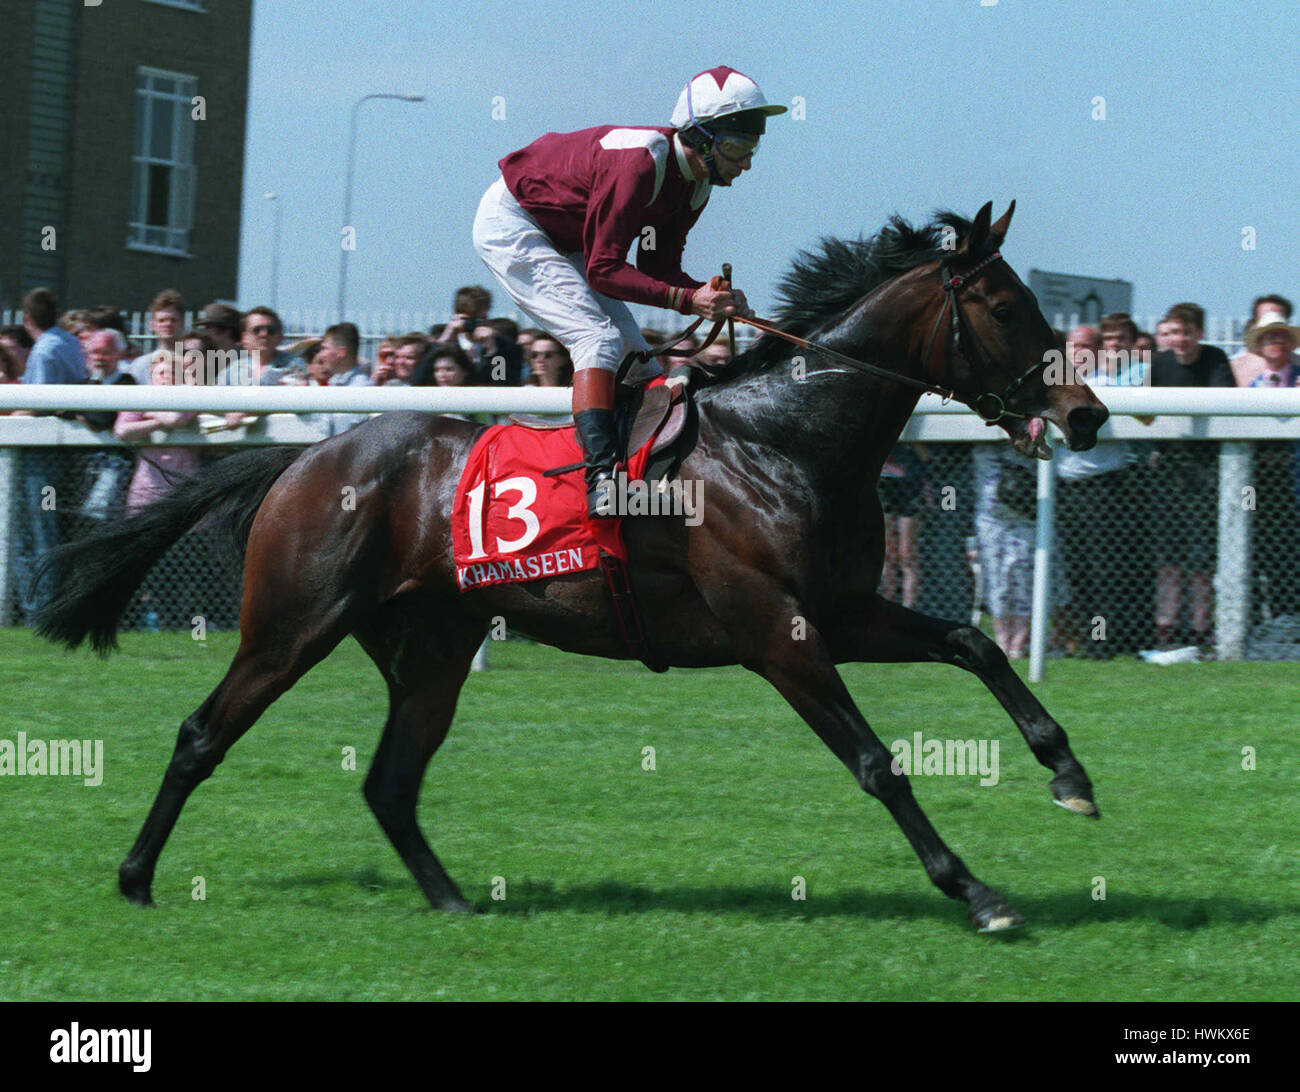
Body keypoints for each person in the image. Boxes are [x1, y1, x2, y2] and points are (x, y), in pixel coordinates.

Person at [472, 65, 784, 516]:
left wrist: (707, 294)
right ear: (698, 139)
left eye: (752, 147)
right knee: (596, 338)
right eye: (737, 147)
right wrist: (688, 299)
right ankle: (601, 479)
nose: (747, 162)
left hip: (572, 236)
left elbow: (658, 268)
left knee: (642, 366)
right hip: (515, 223)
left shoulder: (696, 188)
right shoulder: (639, 164)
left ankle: (645, 476)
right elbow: (604, 271)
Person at [1148, 303, 1233, 652]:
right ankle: (1166, 631)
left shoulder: (1215, 359)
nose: (1180, 339)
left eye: (1187, 332)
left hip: (1204, 472)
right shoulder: (1159, 363)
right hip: (1168, 471)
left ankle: (1200, 631)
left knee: (1200, 562)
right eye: (1174, 332)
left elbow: (1221, 403)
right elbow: (1143, 413)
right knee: (1167, 560)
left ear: (1199, 333)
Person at [1231, 294, 1299, 388]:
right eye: (1271, 337)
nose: (1279, 341)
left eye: (1284, 336)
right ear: (1259, 345)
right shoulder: (1238, 370)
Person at [127, 289, 185, 383]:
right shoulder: (141, 366)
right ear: (152, 325)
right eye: (161, 320)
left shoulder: (192, 363)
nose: (168, 324)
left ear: (182, 323)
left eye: (173, 320)